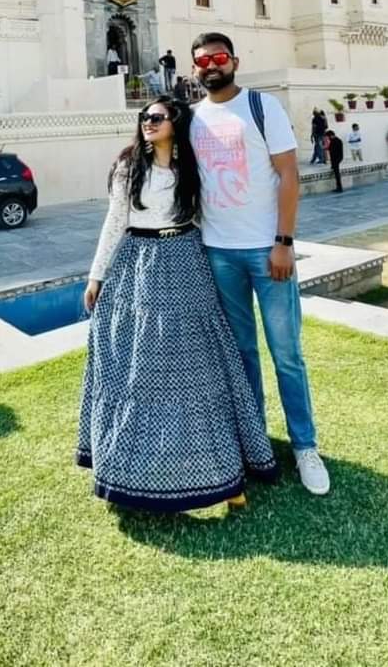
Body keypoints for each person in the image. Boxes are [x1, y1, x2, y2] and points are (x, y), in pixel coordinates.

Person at [77, 96, 277, 510]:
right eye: (144, 117)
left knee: (200, 367)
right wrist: (96, 276)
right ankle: (126, 474)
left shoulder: (193, 167)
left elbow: (214, 211)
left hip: (187, 259)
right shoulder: (129, 166)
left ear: (175, 122)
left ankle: (224, 474)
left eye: (156, 117)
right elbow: (115, 222)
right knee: (139, 371)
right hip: (139, 265)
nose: (148, 122)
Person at [189, 32, 330, 495]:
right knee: (241, 354)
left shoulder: (260, 107)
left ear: (234, 61)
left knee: (286, 354)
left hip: (265, 249)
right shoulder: (192, 118)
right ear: (195, 69)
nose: (211, 66)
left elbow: (289, 172)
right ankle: (255, 441)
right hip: (218, 251)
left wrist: (284, 242)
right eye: (203, 61)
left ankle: (305, 446)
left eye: (219, 58)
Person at [325, 127, 345, 192]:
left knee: (337, 174)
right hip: (337, 158)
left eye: (328, 137)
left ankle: (339, 187)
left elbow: (331, 149)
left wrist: (325, 148)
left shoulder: (335, 141)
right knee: (336, 172)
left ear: (331, 135)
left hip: (336, 159)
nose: (328, 138)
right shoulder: (337, 140)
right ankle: (339, 187)